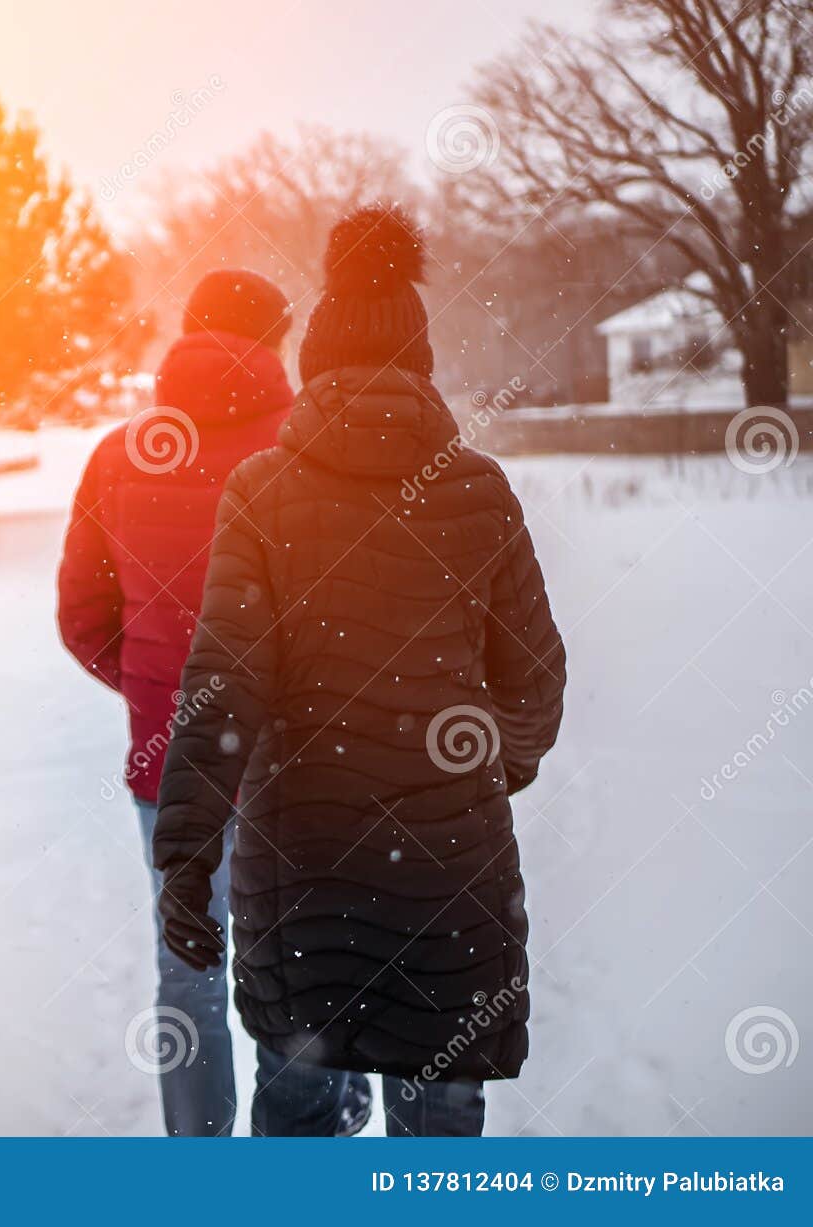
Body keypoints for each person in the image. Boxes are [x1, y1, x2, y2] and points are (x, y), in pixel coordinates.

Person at [152, 205, 566, 1138]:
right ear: (421, 364)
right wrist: (488, 771)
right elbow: (535, 683)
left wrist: (187, 855)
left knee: (302, 1130)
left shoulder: (261, 494)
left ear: (313, 365)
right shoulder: (478, 490)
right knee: (437, 1144)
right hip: (449, 886)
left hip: (301, 884)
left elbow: (223, 686)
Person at [57, 269, 370, 1137]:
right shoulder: (323, 447)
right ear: (275, 341)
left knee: (186, 966)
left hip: (173, 766)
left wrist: (167, 691)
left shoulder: (122, 454)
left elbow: (84, 615)